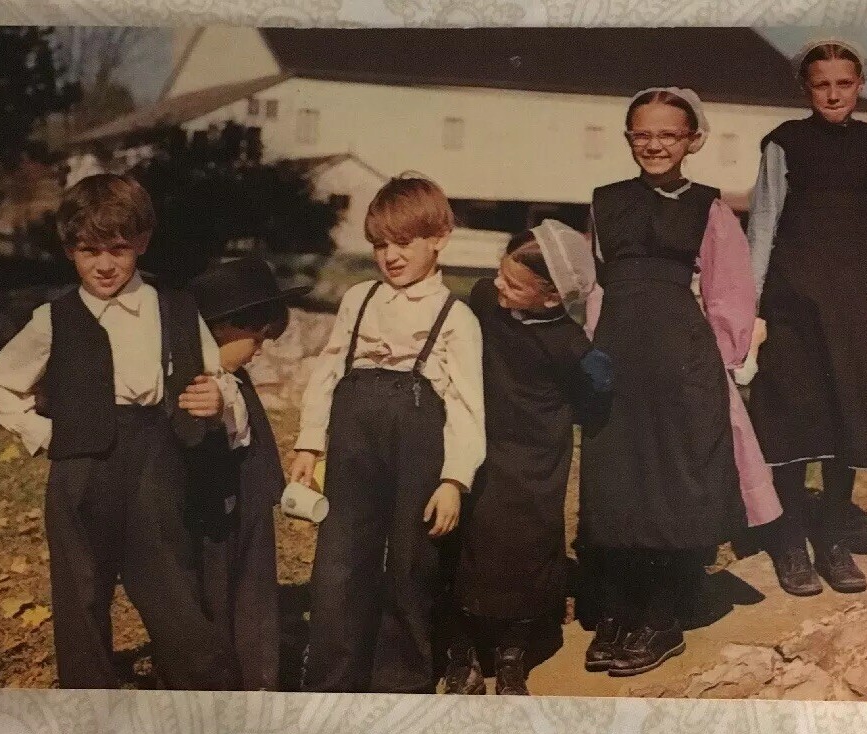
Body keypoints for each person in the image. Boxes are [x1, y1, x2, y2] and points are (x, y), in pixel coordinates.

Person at [0, 173, 246, 689]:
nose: (104, 264)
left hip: (156, 459)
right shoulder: (53, 318)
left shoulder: (174, 307)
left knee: (170, 583)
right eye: (88, 251)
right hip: (79, 468)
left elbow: (217, 378)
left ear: (141, 243)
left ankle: (207, 698)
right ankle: (88, 701)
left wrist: (216, 400)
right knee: (80, 594)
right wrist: (43, 434)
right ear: (69, 251)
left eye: (118, 249)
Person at [747, 38, 867, 596]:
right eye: (821, 84)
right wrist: (752, 307)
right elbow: (763, 222)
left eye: (844, 83)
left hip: (860, 295)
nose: (833, 94)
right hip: (794, 296)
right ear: (806, 89)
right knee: (791, 411)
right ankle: (786, 539)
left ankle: (831, 534)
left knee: (851, 407)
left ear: (860, 85)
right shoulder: (785, 142)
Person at [578, 87, 753, 677]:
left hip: (681, 360)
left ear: (692, 141)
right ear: (628, 138)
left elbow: (730, 291)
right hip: (616, 357)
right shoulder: (604, 203)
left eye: (668, 135)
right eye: (642, 134)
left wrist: (723, 361)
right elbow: (591, 286)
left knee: (671, 482)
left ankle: (663, 616)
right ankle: (619, 612)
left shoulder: (710, 207)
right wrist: (590, 355)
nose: (654, 144)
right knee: (617, 479)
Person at [288, 174, 485, 693]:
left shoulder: (456, 316)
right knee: (339, 565)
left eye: (403, 243)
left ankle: (401, 688)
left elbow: (467, 407)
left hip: (418, 447)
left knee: (410, 567)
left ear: (438, 239)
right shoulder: (359, 299)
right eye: (379, 245)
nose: (390, 256)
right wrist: (310, 442)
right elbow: (329, 370)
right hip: (353, 443)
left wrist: (454, 480)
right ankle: (331, 684)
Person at [445, 221, 613, 695]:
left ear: (552, 299)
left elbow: (596, 392)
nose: (498, 285)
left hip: (535, 460)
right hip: (477, 446)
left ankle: (513, 650)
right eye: (500, 275)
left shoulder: (569, 343)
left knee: (526, 547)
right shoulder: (482, 301)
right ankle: (464, 651)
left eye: (514, 285)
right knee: (469, 542)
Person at [188, 255, 310, 690]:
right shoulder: (194, 382)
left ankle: (261, 678)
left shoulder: (237, 378)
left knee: (256, 594)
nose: (261, 349)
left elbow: (251, 437)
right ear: (223, 329)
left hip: (250, 499)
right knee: (215, 595)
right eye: (255, 339)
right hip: (210, 508)